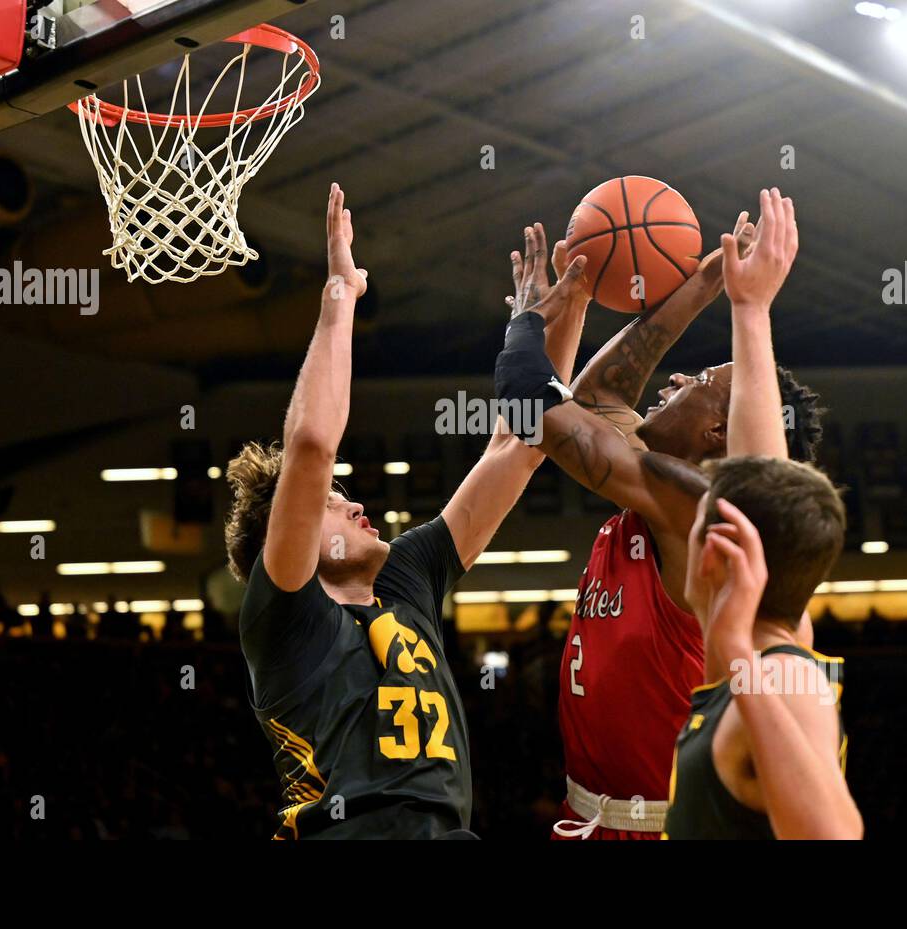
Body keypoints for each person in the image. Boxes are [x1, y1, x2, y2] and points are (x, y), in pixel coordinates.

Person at [226, 184, 585, 839]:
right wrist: (341, 293)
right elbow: (310, 445)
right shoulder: (284, 617)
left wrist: (550, 316)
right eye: (333, 504)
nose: (356, 503)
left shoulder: (405, 577)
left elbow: (523, 442)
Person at [497, 188, 823, 838]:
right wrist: (706, 279)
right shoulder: (654, 487)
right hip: (585, 815)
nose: (672, 380)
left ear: (715, 434)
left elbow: (529, 402)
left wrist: (527, 323)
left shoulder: (693, 514)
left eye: (698, 380)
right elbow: (601, 391)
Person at [662, 456, 861, 839]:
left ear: (715, 552)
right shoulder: (761, 670)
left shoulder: (784, 675)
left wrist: (735, 647)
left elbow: (834, 835)